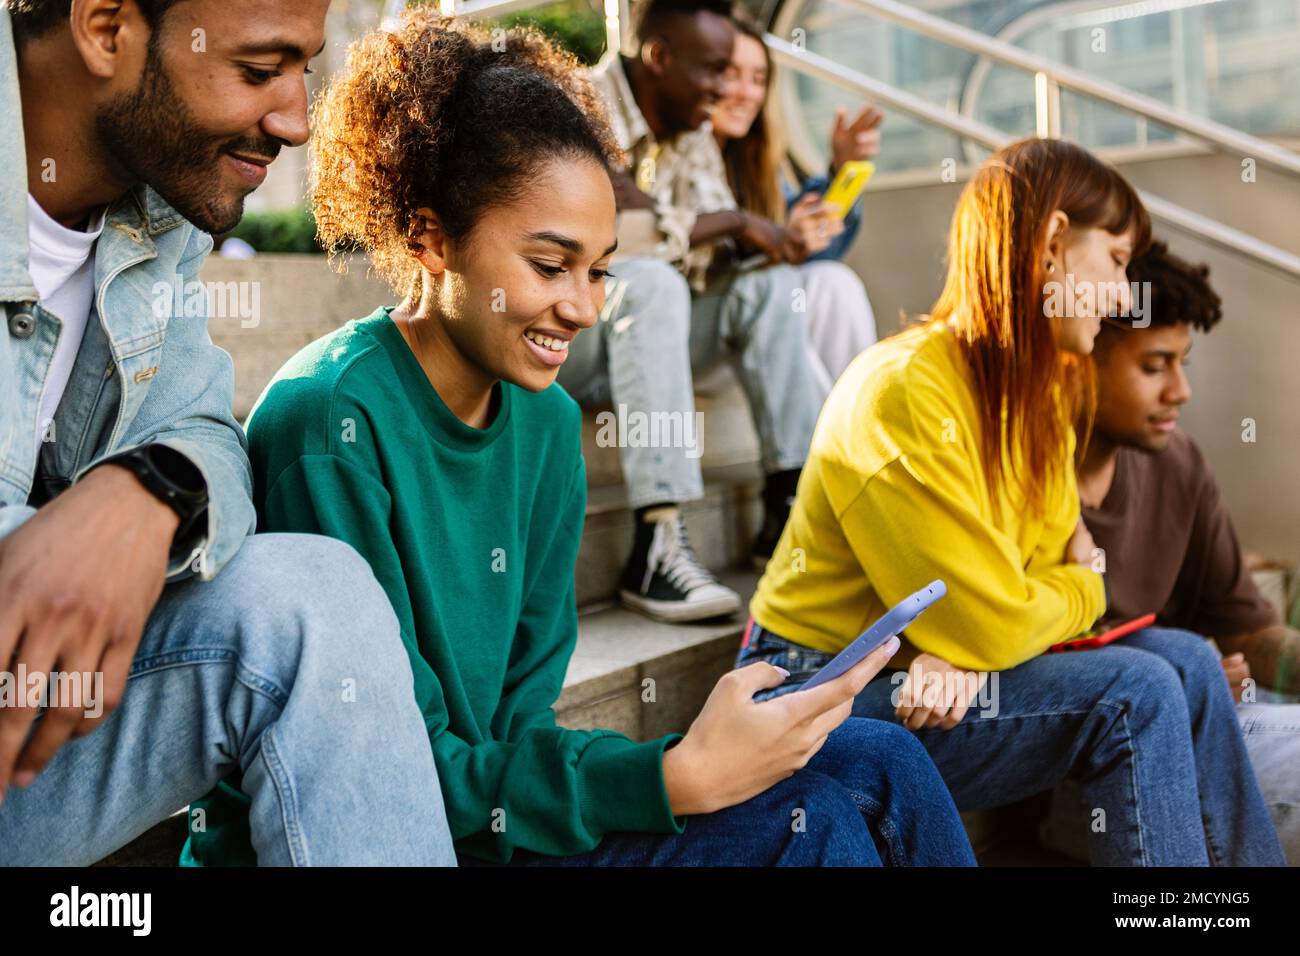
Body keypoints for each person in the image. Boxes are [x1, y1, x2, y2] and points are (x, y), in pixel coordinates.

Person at [185, 12, 979, 868]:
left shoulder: (548, 421)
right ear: (428, 237)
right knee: (816, 827)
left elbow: (522, 723)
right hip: (386, 831)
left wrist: (686, 768)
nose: (586, 308)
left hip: (494, 813)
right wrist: (670, 778)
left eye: (599, 269)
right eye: (549, 265)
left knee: (883, 758)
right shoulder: (330, 423)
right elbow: (387, 782)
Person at [736, 137, 1286, 865]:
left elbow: (1012, 600)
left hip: (932, 678)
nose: (1124, 297)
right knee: (1136, 687)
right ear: (1054, 244)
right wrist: (1016, 612)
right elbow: (999, 610)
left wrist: (982, 631)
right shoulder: (903, 391)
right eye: (1117, 262)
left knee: (1184, 658)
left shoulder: (1044, 396)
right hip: (815, 690)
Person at [0, 0, 456, 865]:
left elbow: (203, 426)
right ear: (105, 28)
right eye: (258, 70)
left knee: (313, 601)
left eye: (302, 70)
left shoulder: (154, 212)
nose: (295, 120)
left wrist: (149, 489)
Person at [1036, 240, 1300, 864]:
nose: (1180, 391)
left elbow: (1253, 633)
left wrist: (1226, 674)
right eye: (1154, 366)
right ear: (1080, 358)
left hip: (1209, 728)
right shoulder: (1019, 480)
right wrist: (1188, 678)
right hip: (1099, 771)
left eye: (1183, 362)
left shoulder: (1176, 462)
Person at [561, 0, 825, 620]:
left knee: (763, 286)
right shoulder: (577, 107)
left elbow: (699, 244)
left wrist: (677, 220)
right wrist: (723, 222)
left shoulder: (692, 130)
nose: (723, 88)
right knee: (651, 281)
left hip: (651, 337)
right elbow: (613, 240)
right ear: (659, 57)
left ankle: (788, 507)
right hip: (568, 340)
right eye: (712, 70)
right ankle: (657, 545)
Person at [709, 12, 880, 402]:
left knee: (835, 283)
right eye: (731, 74)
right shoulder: (676, 153)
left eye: (758, 79)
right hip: (714, 324)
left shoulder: (756, 163)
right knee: (780, 290)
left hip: (766, 311)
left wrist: (840, 173)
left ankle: (860, 423)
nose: (747, 93)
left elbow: (816, 250)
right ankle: (823, 449)